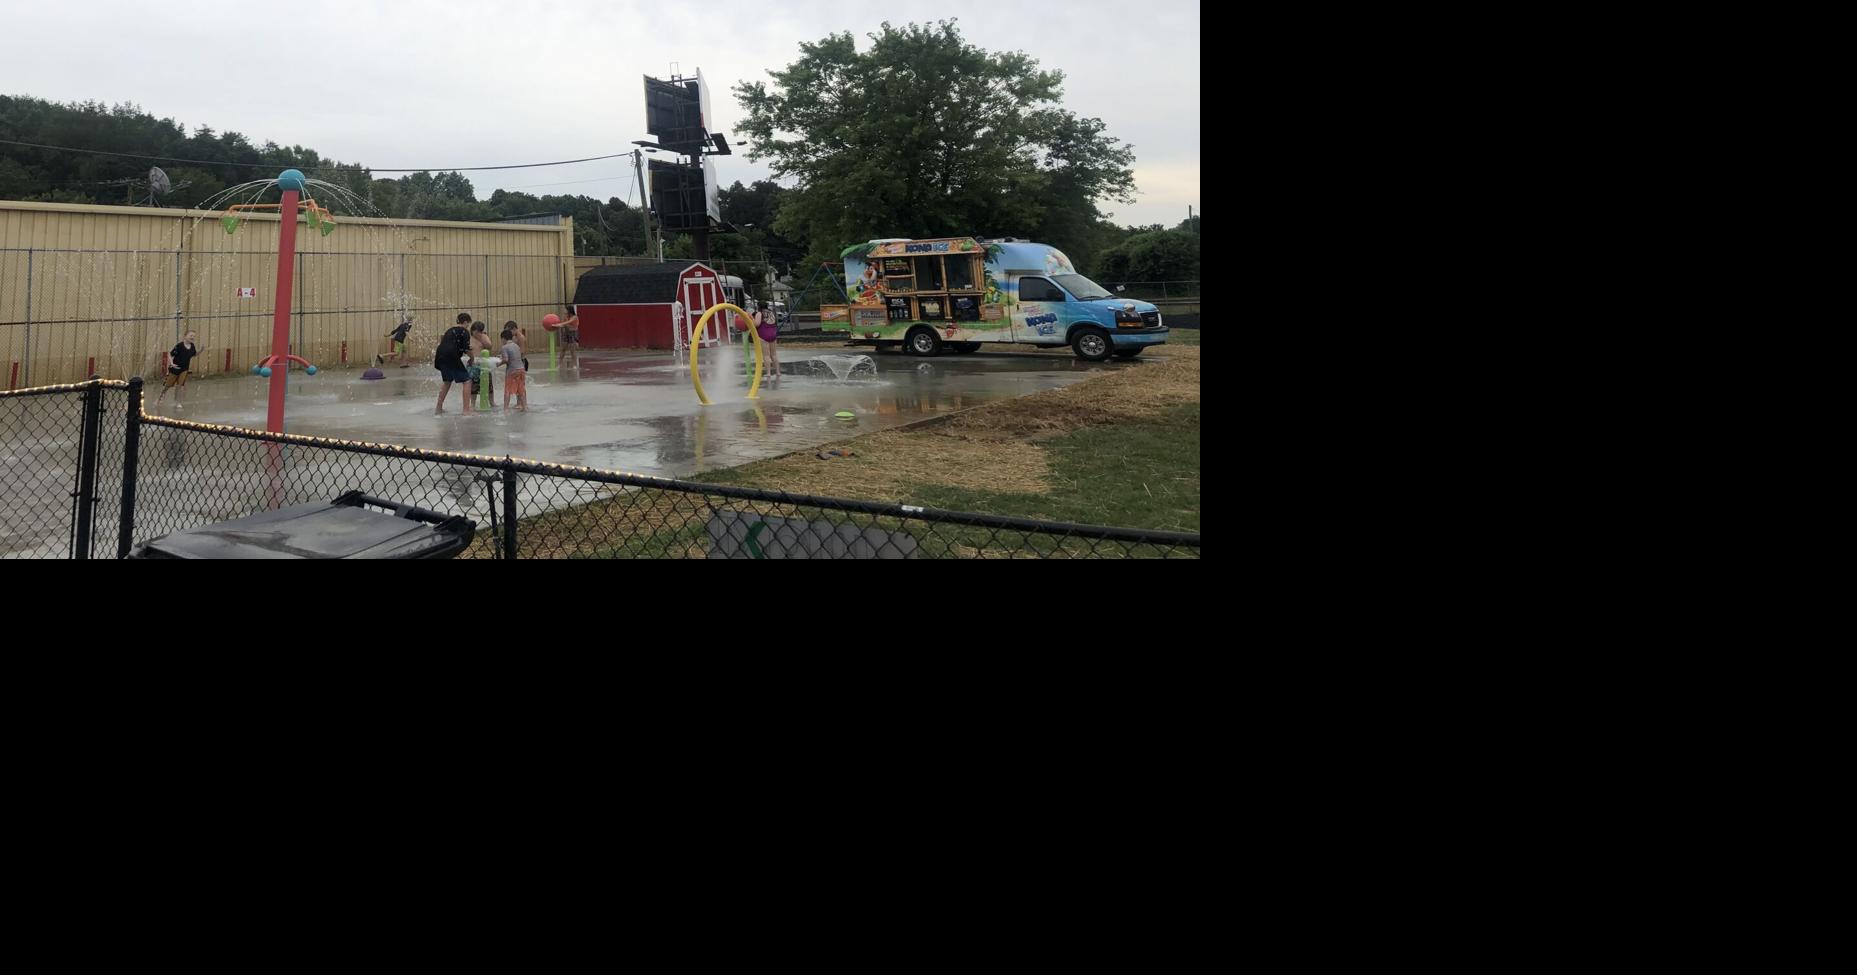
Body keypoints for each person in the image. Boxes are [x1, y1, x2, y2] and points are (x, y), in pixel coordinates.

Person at [434, 319, 476, 415]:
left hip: (440, 355)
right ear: (465, 322)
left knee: (447, 381)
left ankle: (438, 408)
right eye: (468, 324)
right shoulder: (464, 331)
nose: (468, 326)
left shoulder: (449, 330)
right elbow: (466, 349)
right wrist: (472, 359)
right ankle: (466, 410)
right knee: (467, 381)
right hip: (451, 355)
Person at [154, 330, 200, 408]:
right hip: (175, 368)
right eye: (191, 335)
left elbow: (194, 355)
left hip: (184, 369)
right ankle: (159, 398)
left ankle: (178, 402)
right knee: (167, 386)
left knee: (180, 386)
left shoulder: (192, 346)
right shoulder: (179, 346)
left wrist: (201, 350)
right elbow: (170, 354)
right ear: (185, 336)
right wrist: (171, 363)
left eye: (194, 336)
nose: (192, 337)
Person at [468, 321, 496, 406]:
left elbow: (489, 347)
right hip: (473, 364)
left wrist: (481, 338)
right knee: (473, 385)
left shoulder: (484, 336)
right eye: (476, 331)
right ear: (472, 330)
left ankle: (492, 402)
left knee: (488, 384)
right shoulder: (469, 338)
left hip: (484, 364)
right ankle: (472, 404)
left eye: (480, 331)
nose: (478, 333)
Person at [501, 327, 527, 413]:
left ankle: (505, 409)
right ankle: (524, 407)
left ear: (503, 338)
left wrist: (498, 364)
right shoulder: (516, 346)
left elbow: (506, 360)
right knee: (521, 389)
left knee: (507, 389)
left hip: (512, 371)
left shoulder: (504, 347)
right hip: (521, 369)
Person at [755, 302, 781, 381]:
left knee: (766, 355)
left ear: (759, 307)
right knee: (774, 354)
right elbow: (774, 322)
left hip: (764, 334)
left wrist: (752, 321)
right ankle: (778, 372)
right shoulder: (771, 313)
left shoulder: (759, 313)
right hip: (773, 334)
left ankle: (768, 373)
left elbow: (757, 324)